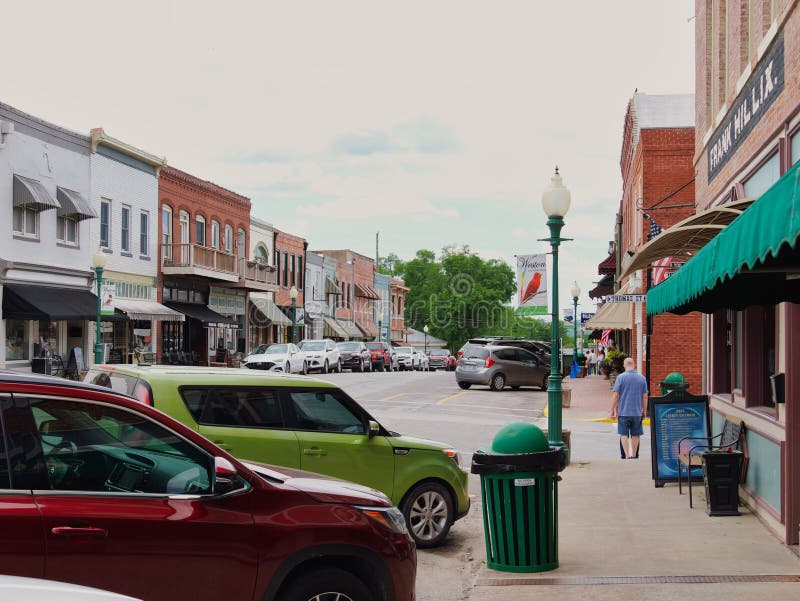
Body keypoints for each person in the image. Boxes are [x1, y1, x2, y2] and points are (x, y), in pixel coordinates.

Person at [610, 357, 648, 459]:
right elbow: (645, 396)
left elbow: (616, 395)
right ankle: (634, 455)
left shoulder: (621, 377)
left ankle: (626, 456)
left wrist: (612, 409)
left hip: (623, 412)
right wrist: (644, 410)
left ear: (624, 365)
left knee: (623, 434)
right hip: (637, 412)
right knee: (636, 434)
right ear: (634, 365)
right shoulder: (642, 378)